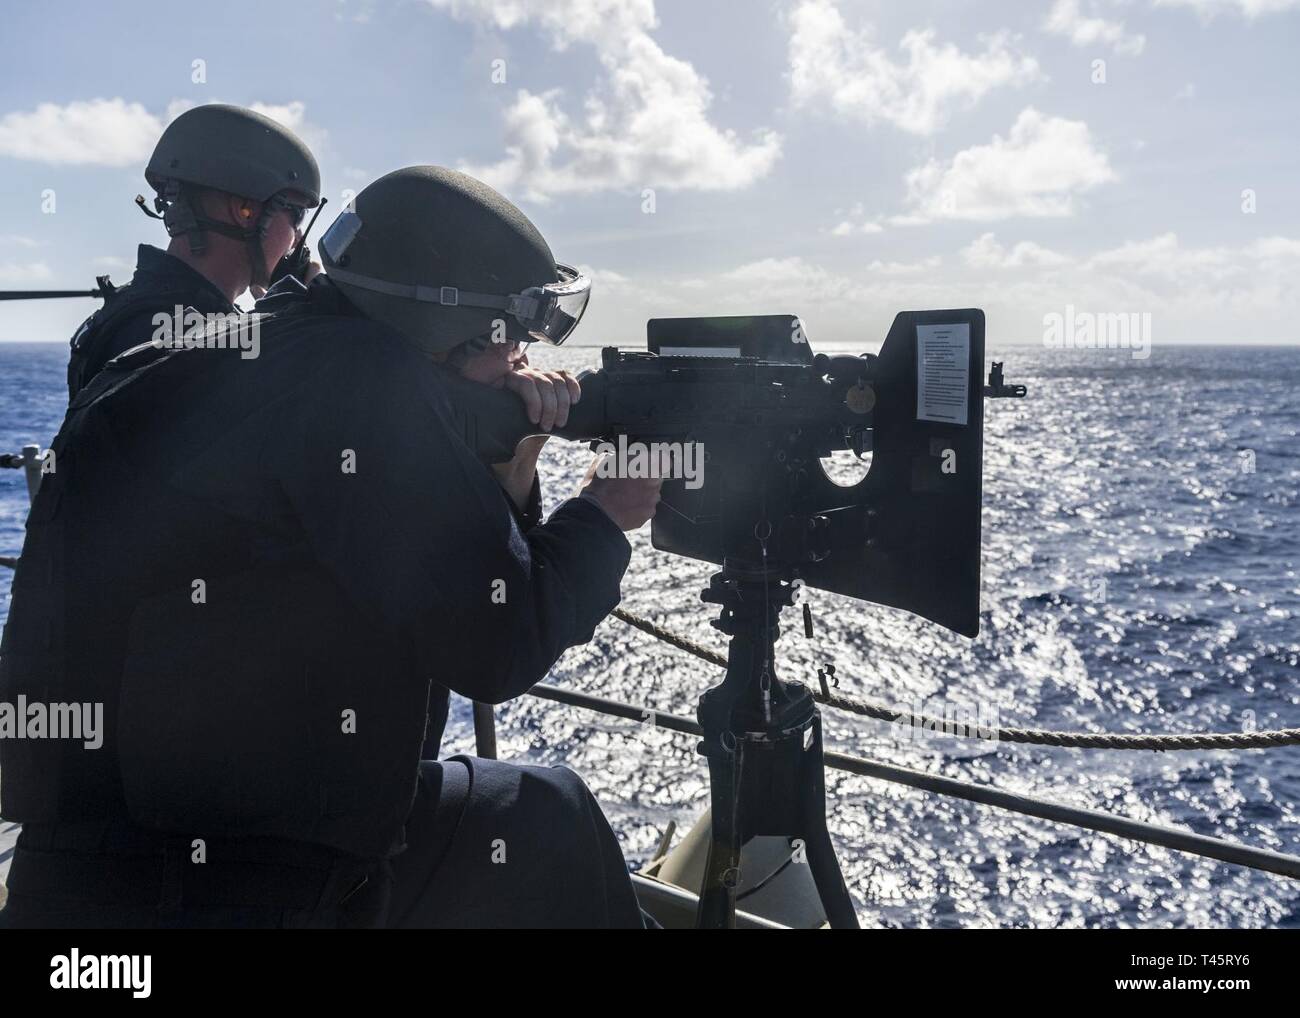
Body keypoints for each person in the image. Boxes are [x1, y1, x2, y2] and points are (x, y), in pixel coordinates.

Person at [0, 165, 660, 929]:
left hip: (107, 856)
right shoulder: (365, 384)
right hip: (217, 882)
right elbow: (497, 646)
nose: (521, 362)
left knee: (544, 813)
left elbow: (433, 570)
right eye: (511, 340)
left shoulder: (254, 347)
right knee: (550, 821)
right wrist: (604, 515)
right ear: (443, 333)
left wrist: (511, 461)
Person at [64, 103, 319, 399]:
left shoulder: (146, 313)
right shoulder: (191, 339)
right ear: (245, 211)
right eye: (296, 215)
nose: (297, 237)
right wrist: (310, 326)